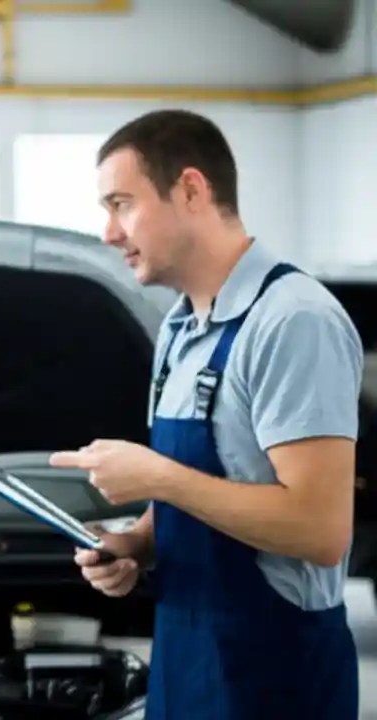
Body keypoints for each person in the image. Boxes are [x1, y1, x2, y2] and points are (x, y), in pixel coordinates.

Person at [49, 109, 363, 718]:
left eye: (121, 205)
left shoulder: (294, 321)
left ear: (191, 190)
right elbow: (210, 493)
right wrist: (137, 543)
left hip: (274, 681)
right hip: (185, 667)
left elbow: (320, 530)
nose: (108, 233)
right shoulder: (178, 328)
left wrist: (159, 478)